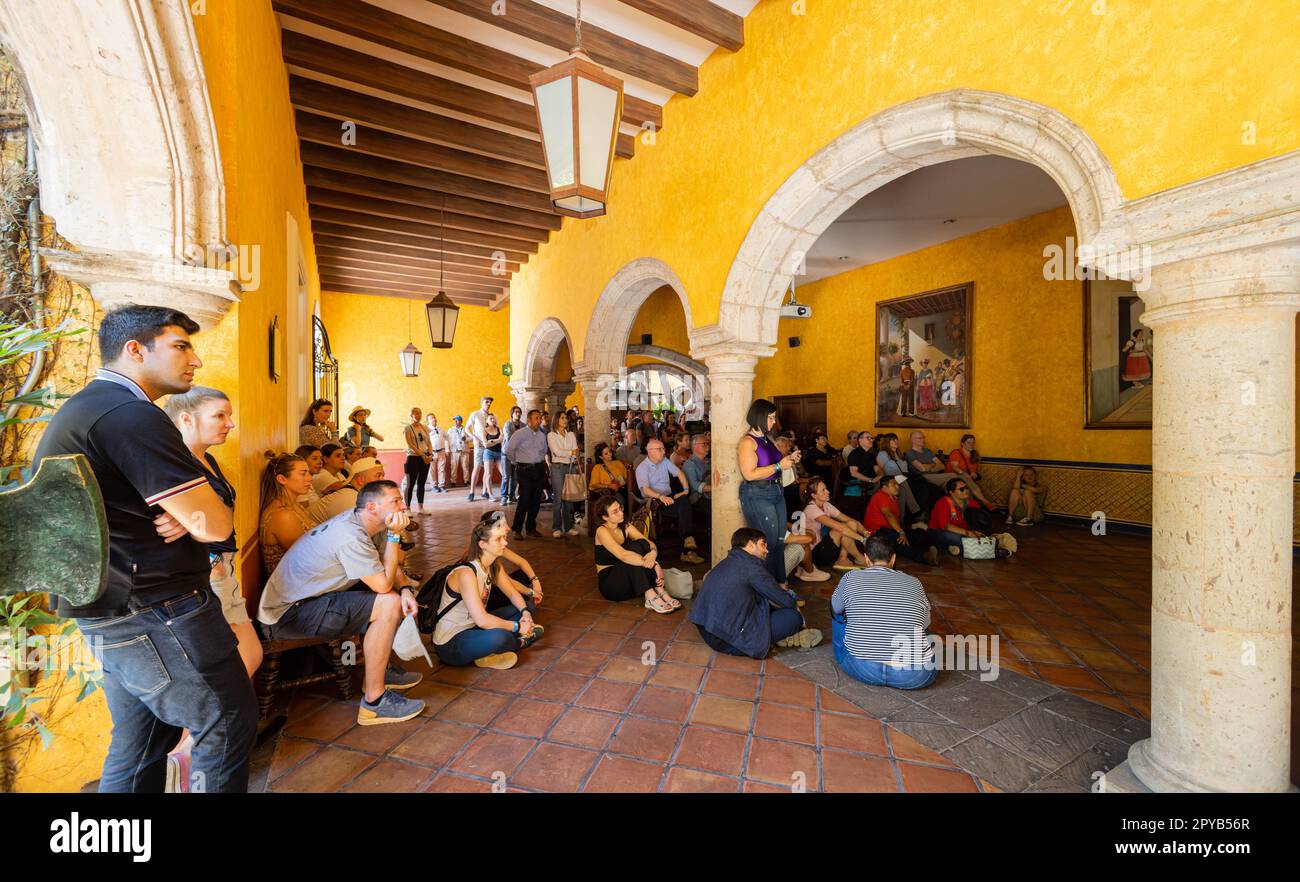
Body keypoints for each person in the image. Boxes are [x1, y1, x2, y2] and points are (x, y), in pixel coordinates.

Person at [32, 305, 254, 792]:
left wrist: (187, 513)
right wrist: (195, 513)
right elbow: (216, 525)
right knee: (228, 722)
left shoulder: (88, 407)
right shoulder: (129, 414)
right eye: (180, 345)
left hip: (118, 610)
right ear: (134, 349)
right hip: (157, 612)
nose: (195, 359)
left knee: (142, 746)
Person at [258, 480, 426, 725]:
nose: (403, 506)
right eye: (396, 501)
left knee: (392, 596)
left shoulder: (366, 521)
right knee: (388, 603)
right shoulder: (350, 535)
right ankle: (374, 702)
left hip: (311, 599)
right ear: (371, 506)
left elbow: (384, 564)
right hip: (287, 615)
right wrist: (394, 537)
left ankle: (377, 674)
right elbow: (382, 585)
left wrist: (407, 589)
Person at [162, 387, 261, 680]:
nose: (229, 424)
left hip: (224, 571)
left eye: (228, 416)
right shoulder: (176, 465)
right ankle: (204, 727)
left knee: (249, 654)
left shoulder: (207, 459)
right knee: (222, 670)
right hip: (206, 574)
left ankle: (218, 724)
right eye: (219, 416)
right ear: (187, 419)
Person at [431, 511, 544, 670]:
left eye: (503, 538)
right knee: (501, 636)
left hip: (473, 627)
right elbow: (483, 620)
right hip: (451, 643)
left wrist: (525, 613)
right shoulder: (466, 573)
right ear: (483, 544)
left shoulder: (493, 565)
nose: (505, 543)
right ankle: (520, 641)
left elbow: (511, 593)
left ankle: (486, 654)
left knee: (527, 607)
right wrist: (518, 627)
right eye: (499, 539)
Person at [689, 528, 821, 657]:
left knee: (769, 603)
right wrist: (796, 609)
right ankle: (782, 638)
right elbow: (780, 597)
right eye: (763, 544)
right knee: (793, 617)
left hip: (708, 632)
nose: (766, 550)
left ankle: (778, 638)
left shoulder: (726, 563)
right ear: (750, 545)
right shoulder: (751, 565)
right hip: (727, 640)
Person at [831, 534, 937, 690]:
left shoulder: (850, 577)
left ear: (866, 559)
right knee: (924, 632)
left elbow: (835, 608)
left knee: (838, 615)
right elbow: (926, 622)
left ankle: (861, 647)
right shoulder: (914, 582)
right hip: (914, 675)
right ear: (893, 559)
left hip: (862, 667)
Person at [736, 399, 797, 586]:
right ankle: (766, 587)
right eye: (770, 418)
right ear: (760, 417)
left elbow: (773, 463)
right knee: (767, 543)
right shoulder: (748, 441)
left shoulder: (766, 438)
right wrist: (780, 465)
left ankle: (780, 583)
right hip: (758, 492)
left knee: (779, 541)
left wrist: (789, 459)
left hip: (775, 491)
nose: (773, 422)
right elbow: (749, 473)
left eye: (774, 418)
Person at [592, 494, 679, 613]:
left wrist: (653, 555)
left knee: (640, 544)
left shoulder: (625, 526)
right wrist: (654, 565)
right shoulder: (601, 531)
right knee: (630, 554)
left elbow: (649, 543)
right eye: (615, 511)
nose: (621, 513)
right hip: (612, 586)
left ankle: (658, 589)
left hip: (631, 582)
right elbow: (623, 555)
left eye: (620, 508)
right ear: (605, 517)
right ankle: (650, 594)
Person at [635, 438, 705, 564]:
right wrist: (660, 496)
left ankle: (688, 544)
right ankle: (687, 548)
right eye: (659, 449)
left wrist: (685, 489)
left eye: (663, 448)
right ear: (650, 452)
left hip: (668, 497)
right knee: (684, 505)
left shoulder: (664, 462)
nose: (663, 451)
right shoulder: (642, 468)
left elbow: (679, 473)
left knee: (683, 500)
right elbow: (645, 490)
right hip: (654, 502)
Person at [259, 452, 316, 576]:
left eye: (309, 473)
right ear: (282, 479)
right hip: (298, 590)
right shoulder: (282, 516)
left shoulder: (295, 505)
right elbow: (308, 559)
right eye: (303, 473)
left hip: (310, 580)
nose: (310, 478)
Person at [865, 477, 939, 566]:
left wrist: (903, 531)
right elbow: (889, 515)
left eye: (897, 484)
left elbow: (895, 520)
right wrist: (901, 532)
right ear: (884, 487)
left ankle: (928, 551)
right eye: (894, 485)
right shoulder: (880, 496)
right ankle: (923, 557)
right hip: (876, 531)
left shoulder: (894, 498)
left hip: (889, 529)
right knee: (898, 539)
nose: (897, 487)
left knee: (918, 534)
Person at [802, 476, 870, 571]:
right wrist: (863, 539)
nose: (828, 492)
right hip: (815, 555)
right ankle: (859, 559)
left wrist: (865, 532)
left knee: (851, 524)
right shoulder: (811, 509)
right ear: (814, 495)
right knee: (838, 530)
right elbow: (840, 528)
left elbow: (852, 521)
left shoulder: (826, 505)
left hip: (826, 547)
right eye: (823, 490)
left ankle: (843, 559)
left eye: (826, 489)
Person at [505, 409, 549, 540]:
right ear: (529, 420)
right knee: (524, 499)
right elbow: (509, 451)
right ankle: (517, 529)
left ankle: (531, 528)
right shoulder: (519, 434)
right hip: (524, 470)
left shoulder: (541, 435)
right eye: (537, 418)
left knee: (536, 500)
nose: (539, 420)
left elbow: (544, 451)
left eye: (540, 418)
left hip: (539, 469)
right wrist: (518, 463)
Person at [309, 456, 385, 522]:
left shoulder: (355, 495)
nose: (383, 480)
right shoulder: (351, 499)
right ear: (361, 480)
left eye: (383, 475)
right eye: (378, 476)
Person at [544, 410, 581, 537]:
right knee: (559, 499)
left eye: (566, 418)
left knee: (568, 499)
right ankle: (556, 528)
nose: (565, 420)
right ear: (556, 420)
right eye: (562, 418)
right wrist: (571, 452)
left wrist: (572, 454)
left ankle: (568, 527)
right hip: (557, 468)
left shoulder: (571, 434)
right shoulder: (551, 435)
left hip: (570, 467)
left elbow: (576, 451)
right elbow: (557, 452)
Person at [927, 479, 985, 556]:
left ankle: (957, 548)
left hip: (964, 532)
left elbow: (978, 521)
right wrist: (967, 533)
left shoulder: (972, 503)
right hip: (940, 531)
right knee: (954, 537)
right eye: (961, 489)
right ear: (951, 492)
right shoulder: (943, 503)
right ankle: (970, 546)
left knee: (980, 535)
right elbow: (945, 526)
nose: (966, 491)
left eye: (966, 487)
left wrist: (977, 531)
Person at [947, 433, 995, 508]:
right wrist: (963, 473)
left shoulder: (974, 455)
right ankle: (985, 502)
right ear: (962, 443)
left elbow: (972, 471)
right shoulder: (956, 452)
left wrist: (974, 474)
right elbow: (954, 467)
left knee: (967, 486)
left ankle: (972, 510)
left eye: (973, 443)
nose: (971, 444)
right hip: (952, 477)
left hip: (966, 479)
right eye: (969, 442)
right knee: (966, 483)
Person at [402, 407, 433, 514]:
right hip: (413, 458)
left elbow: (428, 442)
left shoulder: (424, 427)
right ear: (411, 415)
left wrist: (430, 454)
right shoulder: (408, 429)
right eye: (416, 414)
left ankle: (421, 508)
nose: (418, 415)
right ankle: (408, 508)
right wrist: (422, 455)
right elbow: (410, 444)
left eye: (420, 413)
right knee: (411, 483)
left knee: (421, 483)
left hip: (425, 458)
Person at [465, 395, 495, 501]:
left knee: (488, 470)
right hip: (479, 446)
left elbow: (494, 427)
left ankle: (484, 491)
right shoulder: (475, 414)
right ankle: (471, 492)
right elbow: (466, 428)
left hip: (489, 446)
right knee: (477, 468)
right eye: (487, 402)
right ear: (481, 403)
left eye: (490, 402)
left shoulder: (492, 415)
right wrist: (474, 438)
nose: (489, 404)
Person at [499, 405, 525, 503]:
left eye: (519, 412)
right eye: (516, 412)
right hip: (507, 454)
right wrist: (519, 435)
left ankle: (512, 495)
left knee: (515, 477)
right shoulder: (508, 424)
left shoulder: (523, 425)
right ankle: (504, 496)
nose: (518, 414)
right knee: (506, 476)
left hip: (518, 455)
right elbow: (509, 438)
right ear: (512, 414)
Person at [476, 413, 503, 500]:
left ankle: (505, 493)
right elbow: (485, 445)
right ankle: (490, 494)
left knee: (504, 473)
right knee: (488, 474)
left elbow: (502, 440)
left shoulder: (499, 429)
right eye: (490, 418)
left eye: (493, 418)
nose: (492, 420)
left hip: (499, 453)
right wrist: (497, 440)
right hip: (489, 453)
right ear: (487, 421)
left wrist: (491, 441)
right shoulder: (485, 430)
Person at [293, 443, 325, 514]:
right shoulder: (300, 484)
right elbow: (303, 515)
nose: (320, 462)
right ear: (302, 460)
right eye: (314, 458)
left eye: (321, 459)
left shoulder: (309, 481)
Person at [425, 411, 448, 493]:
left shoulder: (441, 429)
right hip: (431, 453)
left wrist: (447, 449)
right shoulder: (426, 430)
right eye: (431, 418)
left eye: (434, 417)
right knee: (432, 470)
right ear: (428, 421)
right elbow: (424, 442)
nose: (434, 419)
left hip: (441, 451)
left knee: (441, 469)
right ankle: (434, 486)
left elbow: (447, 438)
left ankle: (441, 486)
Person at [447, 415, 470, 487]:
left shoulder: (466, 429)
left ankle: (466, 481)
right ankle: (453, 482)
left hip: (464, 450)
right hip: (454, 451)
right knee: (453, 467)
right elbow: (447, 440)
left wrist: (466, 439)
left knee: (465, 466)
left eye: (457, 420)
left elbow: (471, 438)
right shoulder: (450, 430)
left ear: (461, 421)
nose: (455, 422)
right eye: (455, 420)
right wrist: (448, 449)